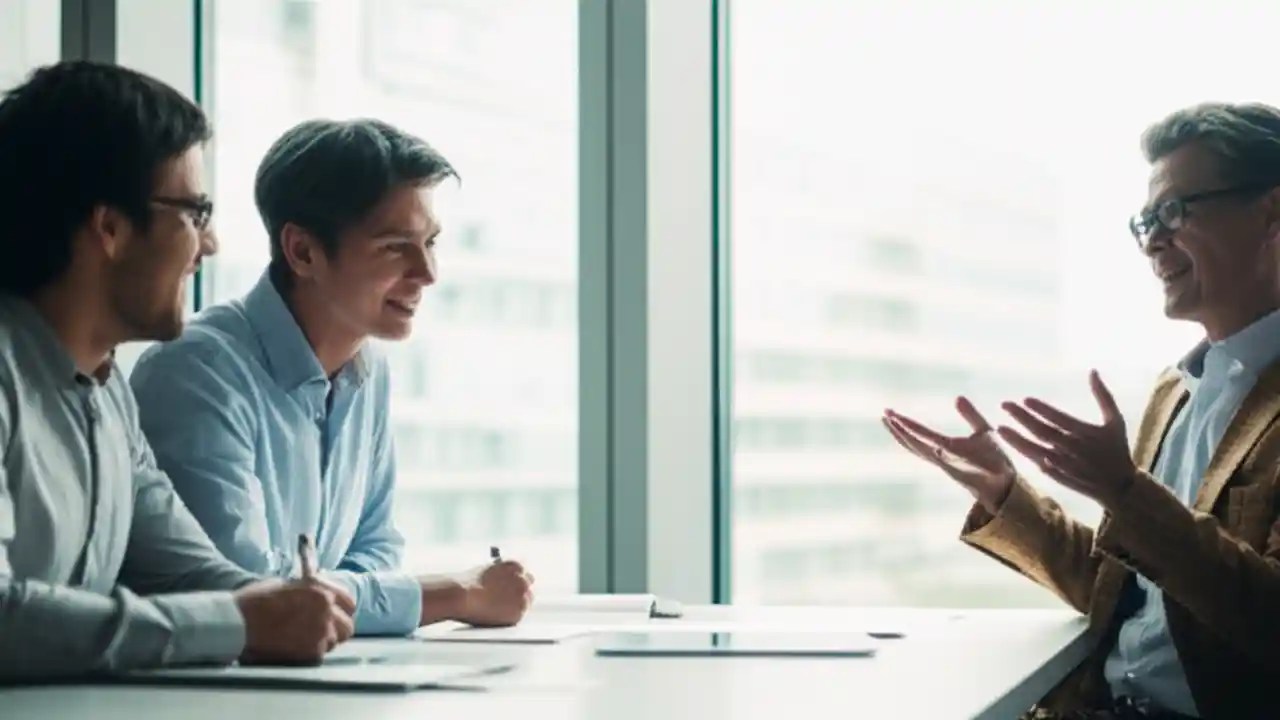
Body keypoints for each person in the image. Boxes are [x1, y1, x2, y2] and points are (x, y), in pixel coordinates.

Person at [883, 103, 1280, 720]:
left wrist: (1124, 492)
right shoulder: (1175, 392)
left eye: (1175, 211)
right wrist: (1004, 494)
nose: (1152, 241)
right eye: (1146, 220)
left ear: (1271, 214)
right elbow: (1118, 591)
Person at [0, 62, 355, 679]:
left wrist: (285, 606)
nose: (208, 245)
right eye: (195, 213)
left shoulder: (107, 391)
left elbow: (182, 567)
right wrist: (240, 622)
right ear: (109, 227)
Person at [130, 119, 534, 637]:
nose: (428, 272)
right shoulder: (196, 373)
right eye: (395, 247)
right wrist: (457, 594)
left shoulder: (368, 368)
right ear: (303, 252)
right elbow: (253, 594)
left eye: (430, 242)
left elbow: (378, 548)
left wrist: (338, 602)